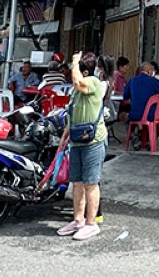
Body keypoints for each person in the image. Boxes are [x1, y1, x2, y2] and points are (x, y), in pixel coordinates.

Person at [56, 52, 107, 241]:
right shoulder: (75, 92)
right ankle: (78, 220)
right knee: (76, 182)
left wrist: (75, 62)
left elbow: (78, 82)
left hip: (93, 141)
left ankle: (91, 224)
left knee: (90, 182)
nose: (71, 73)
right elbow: (72, 116)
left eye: (75, 70)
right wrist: (64, 138)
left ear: (84, 72)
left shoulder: (93, 82)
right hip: (76, 140)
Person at [122, 62, 159, 148]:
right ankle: (149, 141)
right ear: (149, 71)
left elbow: (125, 96)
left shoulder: (132, 80)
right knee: (153, 120)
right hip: (150, 116)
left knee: (127, 119)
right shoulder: (153, 81)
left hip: (134, 115)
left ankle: (135, 135)